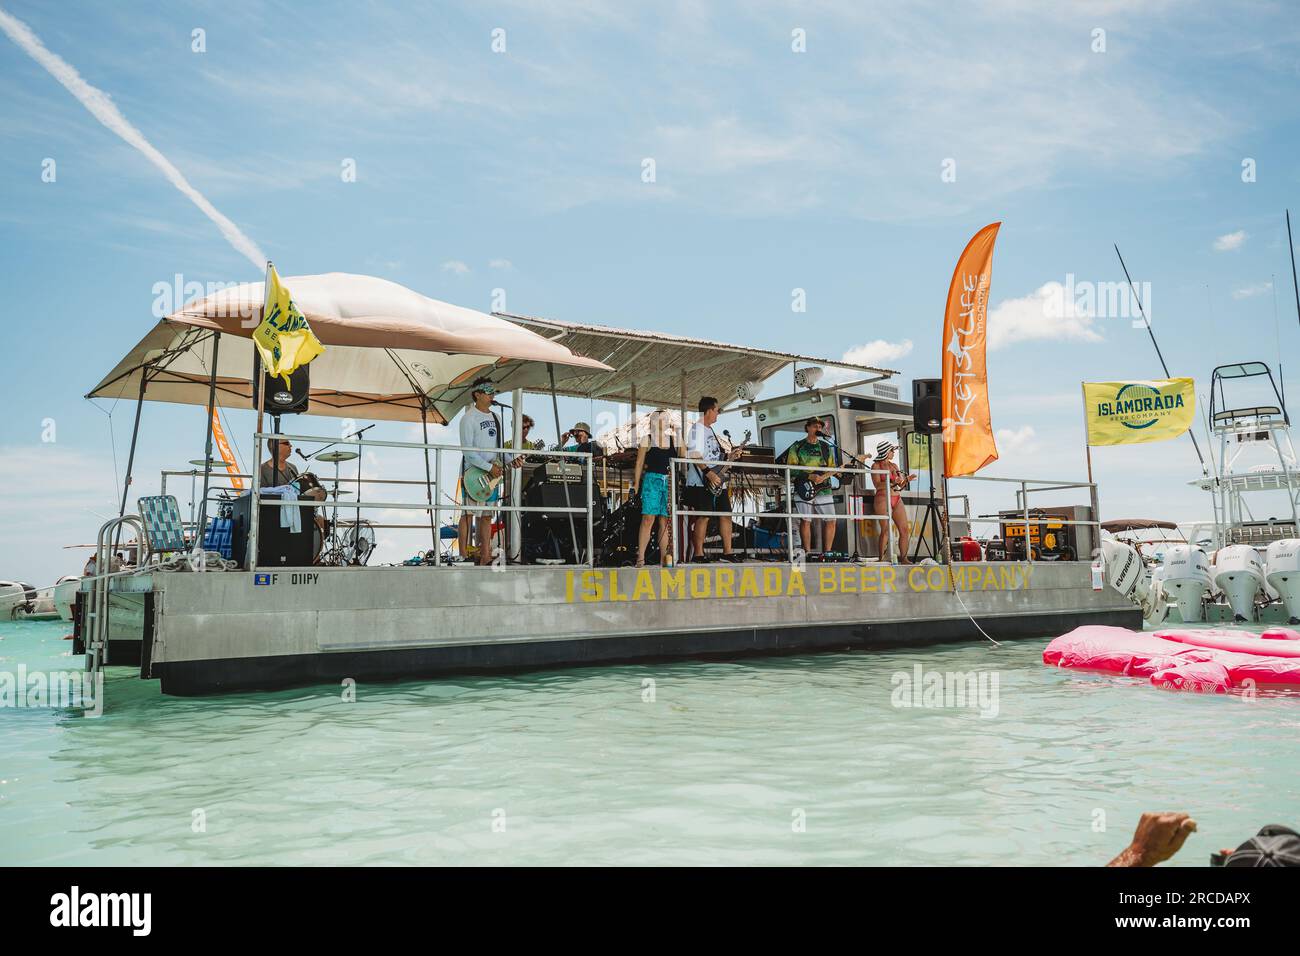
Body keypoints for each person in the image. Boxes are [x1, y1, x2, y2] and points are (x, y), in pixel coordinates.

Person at [458, 378, 511, 566]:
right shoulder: (468, 418)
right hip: (472, 472)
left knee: (487, 514)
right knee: (468, 514)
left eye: (493, 390)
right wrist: (489, 467)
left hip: (492, 472)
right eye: (487, 391)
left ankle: (485, 554)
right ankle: (463, 554)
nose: (492, 394)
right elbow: (468, 452)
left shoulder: (497, 417)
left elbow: (500, 448)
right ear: (477, 394)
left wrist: (511, 460)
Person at [685, 396, 741, 562]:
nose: (718, 414)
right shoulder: (696, 429)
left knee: (726, 514)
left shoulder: (710, 431)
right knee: (704, 516)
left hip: (717, 481)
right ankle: (698, 554)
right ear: (709, 410)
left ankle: (728, 552)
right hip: (702, 480)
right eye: (717, 410)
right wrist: (708, 473)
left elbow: (715, 455)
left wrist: (730, 456)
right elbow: (694, 454)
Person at [259, 438, 327, 557]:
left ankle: (313, 557)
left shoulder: (293, 468)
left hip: (293, 508)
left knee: (320, 519)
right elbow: (260, 494)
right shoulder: (262, 469)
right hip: (273, 513)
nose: (291, 446)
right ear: (275, 447)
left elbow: (300, 491)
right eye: (287, 443)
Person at [784, 417, 841, 556]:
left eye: (820, 427)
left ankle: (827, 553)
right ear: (808, 427)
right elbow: (790, 469)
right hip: (804, 487)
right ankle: (807, 552)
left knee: (832, 520)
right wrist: (810, 476)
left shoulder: (826, 446)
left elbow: (832, 467)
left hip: (824, 489)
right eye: (815, 426)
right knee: (806, 520)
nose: (818, 429)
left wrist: (837, 473)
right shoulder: (797, 446)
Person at [632, 410, 676, 567]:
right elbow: (639, 463)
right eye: (660, 419)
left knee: (664, 520)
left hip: (668, 481)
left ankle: (664, 558)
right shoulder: (647, 439)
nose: (663, 421)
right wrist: (636, 484)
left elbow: (684, 455)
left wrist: (678, 433)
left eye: (665, 419)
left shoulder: (673, 439)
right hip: (652, 480)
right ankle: (641, 557)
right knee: (648, 518)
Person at [871, 439, 916, 563]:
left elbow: (899, 485)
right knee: (885, 530)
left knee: (904, 529)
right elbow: (877, 485)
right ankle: (881, 558)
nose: (893, 452)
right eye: (892, 450)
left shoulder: (894, 465)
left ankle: (904, 558)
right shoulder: (875, 466)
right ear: (885, 452)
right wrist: (892, 482)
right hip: (882, 498)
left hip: (896, 497)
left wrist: (906, 480)